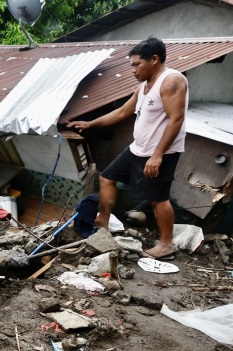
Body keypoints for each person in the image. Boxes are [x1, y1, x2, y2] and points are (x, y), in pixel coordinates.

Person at [67, 37, 187, 260]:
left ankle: (166, 244)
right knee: (107, 178)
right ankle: (103, 222)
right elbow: (123, 112)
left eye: (136, 64)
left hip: (159, 153)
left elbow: (176, 119)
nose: (132, 69)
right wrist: (91, 124)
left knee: (157, 198)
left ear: (154, 59)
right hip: (138, 149)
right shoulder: (143, 87)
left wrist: (158, 155)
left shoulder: (171, 81)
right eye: (131, 64)